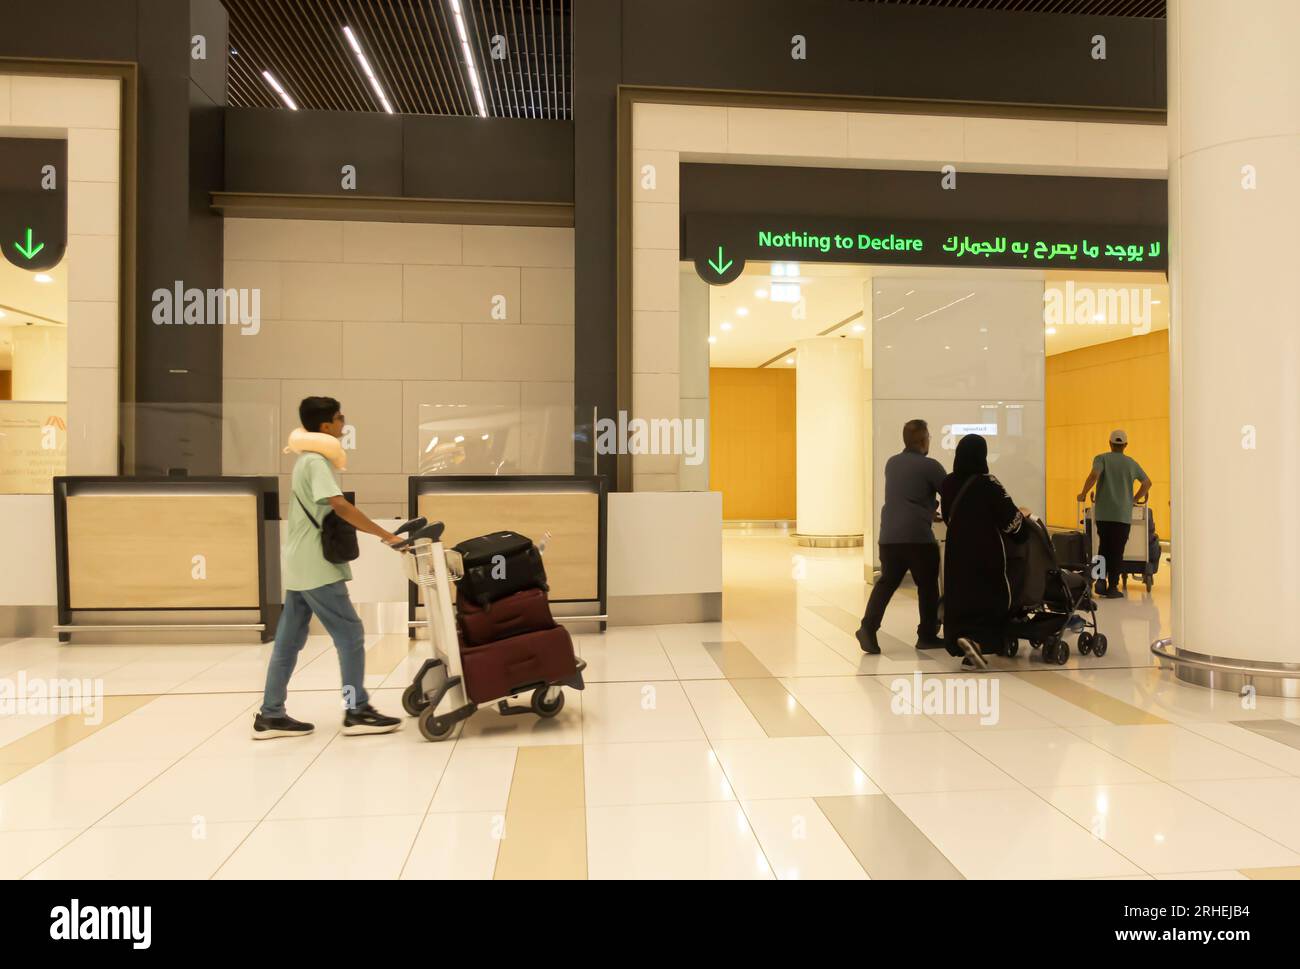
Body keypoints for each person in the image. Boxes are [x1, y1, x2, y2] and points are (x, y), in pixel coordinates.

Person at [253, 396, 404, 739]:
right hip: (317, 568)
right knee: (350, 635)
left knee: (288, 643)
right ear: (325, 426)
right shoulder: (316, 462)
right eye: (340, 418)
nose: (343, 423)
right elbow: (339, 506)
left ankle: (270, 714)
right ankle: (356, 709)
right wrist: (386, 535)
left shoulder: (304, 461)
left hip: (300, 565)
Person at [939, 434, 1032, 671]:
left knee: (961, 596)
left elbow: (949, 515)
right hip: (985, 551)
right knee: (989, 596)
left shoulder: (948, 483)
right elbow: (1011, 521)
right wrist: (1023, 519)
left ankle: (961, 639)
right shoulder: (989, 483)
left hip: (956, 552)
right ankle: (978, 647)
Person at [856, 419, 946, 654]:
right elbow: (951, 492)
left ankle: (868, 627)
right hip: (917, 536)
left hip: (889, 536)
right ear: (924, 439)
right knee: (927, 585)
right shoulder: (930, 466)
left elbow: (907, 496)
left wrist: (926, 508)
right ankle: (926, 634)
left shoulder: (892, 463)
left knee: (887, 583)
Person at [1077, 429, 1151, 599]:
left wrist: (1083, 493)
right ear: (1125, 445)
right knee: (1117, 551)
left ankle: (1099, 581)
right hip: (1122, 515)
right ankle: (1113, 587)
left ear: (1110, 443)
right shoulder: (1131, 463)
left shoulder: (1101, 458)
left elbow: (1094, 475)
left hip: (1104, 513)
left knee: (1102, 547)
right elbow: (1147, 483)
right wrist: (1134, 499)